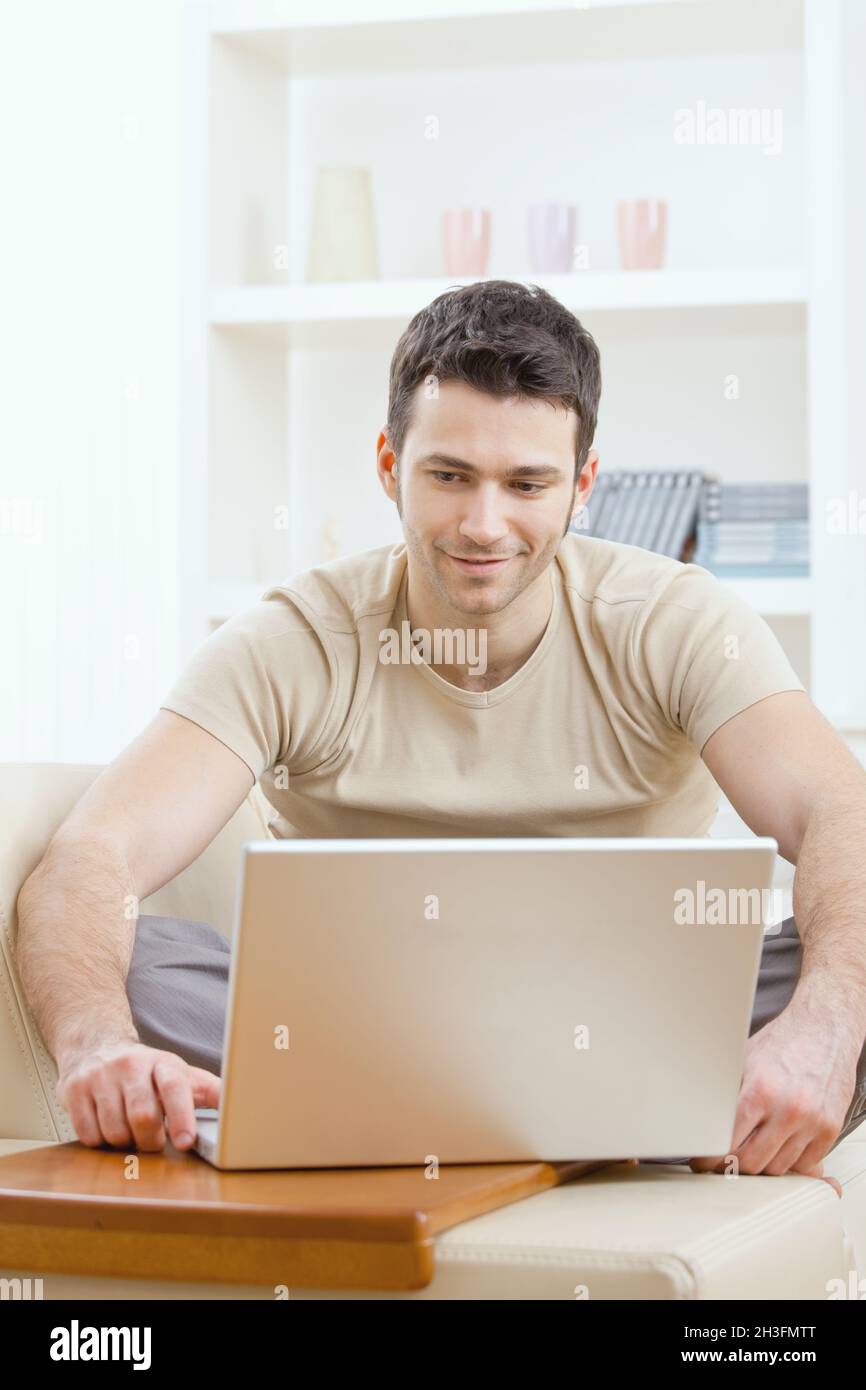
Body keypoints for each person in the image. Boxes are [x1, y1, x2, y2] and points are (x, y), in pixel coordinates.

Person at [16, 281, 866, 1193]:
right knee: (140, 961)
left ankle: (449, 1119)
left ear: (582, 485)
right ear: (389, 463)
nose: (483, 524)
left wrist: (824, 1021)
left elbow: (837, 808)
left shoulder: (676, 621)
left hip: (640, 1022)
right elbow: (89, 859)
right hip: (365, 1033)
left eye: (528, 483)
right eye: (449, 475)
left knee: (846, 970)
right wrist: (97, 1043)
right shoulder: (296, 639)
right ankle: (606, 1124)